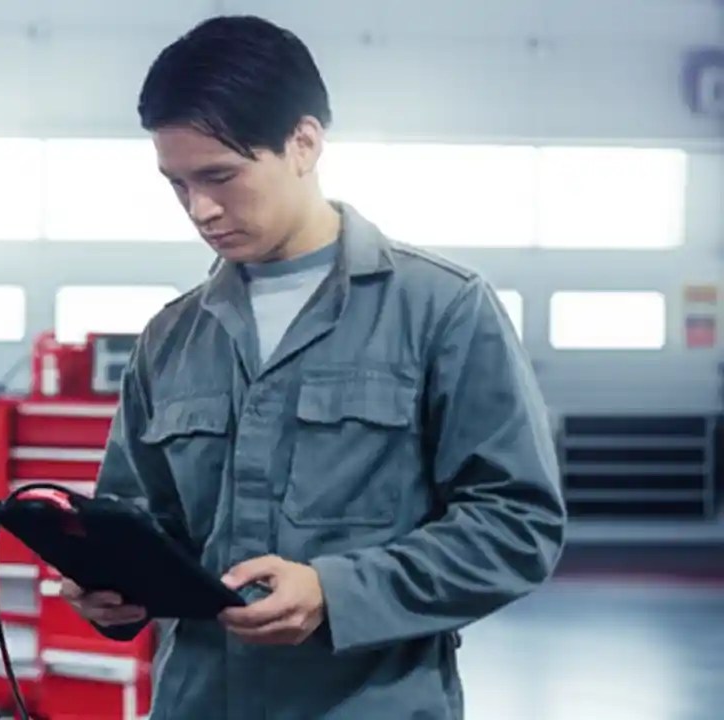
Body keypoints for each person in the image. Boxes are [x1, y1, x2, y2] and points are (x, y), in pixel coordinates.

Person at [59, 14, 568, 720]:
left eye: (220, 176)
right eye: (177, 184)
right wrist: (110, 590)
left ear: (303, 143)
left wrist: (338, 591)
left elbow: (517, 525)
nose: (200, 209)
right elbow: (143, 519)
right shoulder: (171, 336)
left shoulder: (441, 310)